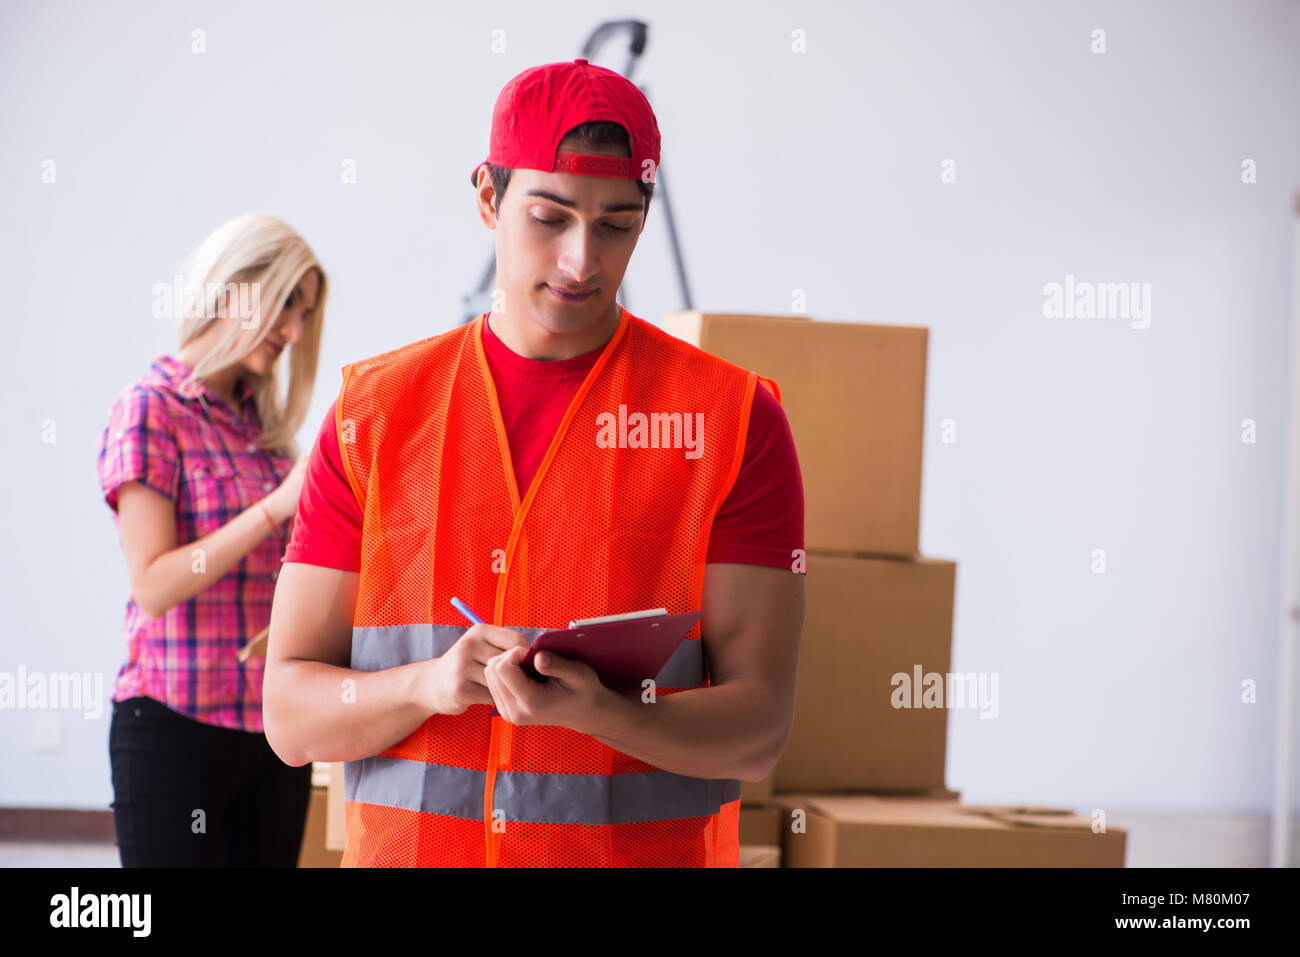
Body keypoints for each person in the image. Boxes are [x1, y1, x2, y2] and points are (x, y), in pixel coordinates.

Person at [263, 59, 805, 867]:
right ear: (488, 197)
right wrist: (427, 683)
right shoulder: (373, 415)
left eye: (617, 225)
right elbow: (291, 716)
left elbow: (758, 730)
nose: (582, 259)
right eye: (549, 217)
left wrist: (605, 715)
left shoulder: (733, 422)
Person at [96, 212, 328, 866]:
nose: (294, 330)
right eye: (286, 302)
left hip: (270, 728)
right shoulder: (151, 406)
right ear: (231, 289)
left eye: (305, 313)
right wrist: (276, 506)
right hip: (173, 726)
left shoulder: (265, 425)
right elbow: (154, 584)